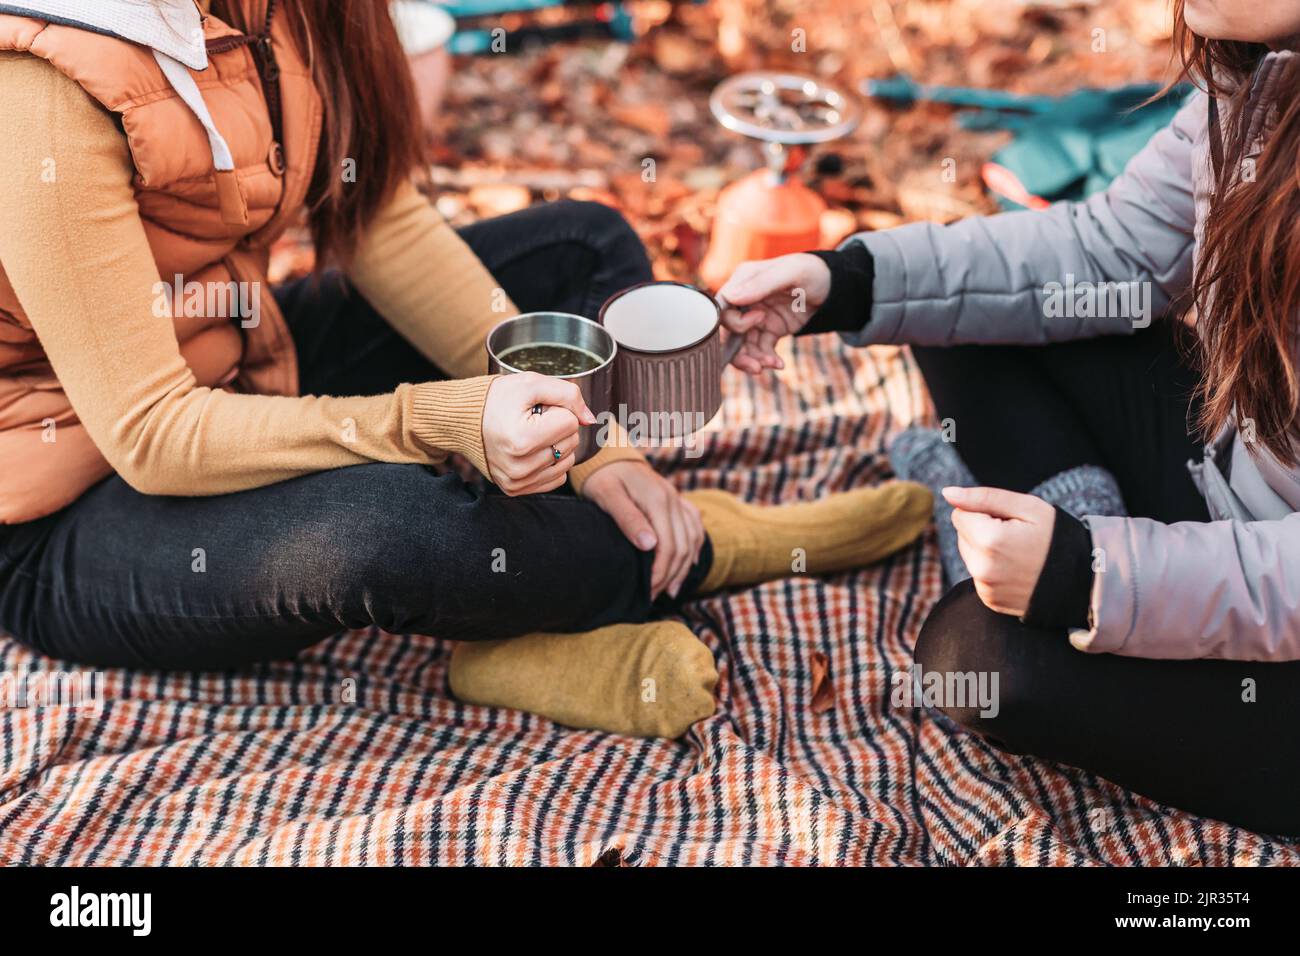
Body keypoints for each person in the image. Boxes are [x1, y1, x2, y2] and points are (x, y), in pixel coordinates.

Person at [0, 0, 932, 739]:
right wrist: (439, 419)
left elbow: (382, 223)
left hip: (250, 361)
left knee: (581, 244)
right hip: (69, 512)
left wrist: (602, 453)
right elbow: (155, 437)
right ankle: (683, 554)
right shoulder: (42, 84)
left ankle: (537, 582)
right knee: (395, 526)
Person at [719, 0, 1300, 834]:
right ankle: (1079, 547)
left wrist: (1089, 573)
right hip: (1236, 473)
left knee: (974, 661)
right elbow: (1115, 251)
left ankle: (1067, 575)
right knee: (949, 311)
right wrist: (839, 281)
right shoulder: (1255, 71)